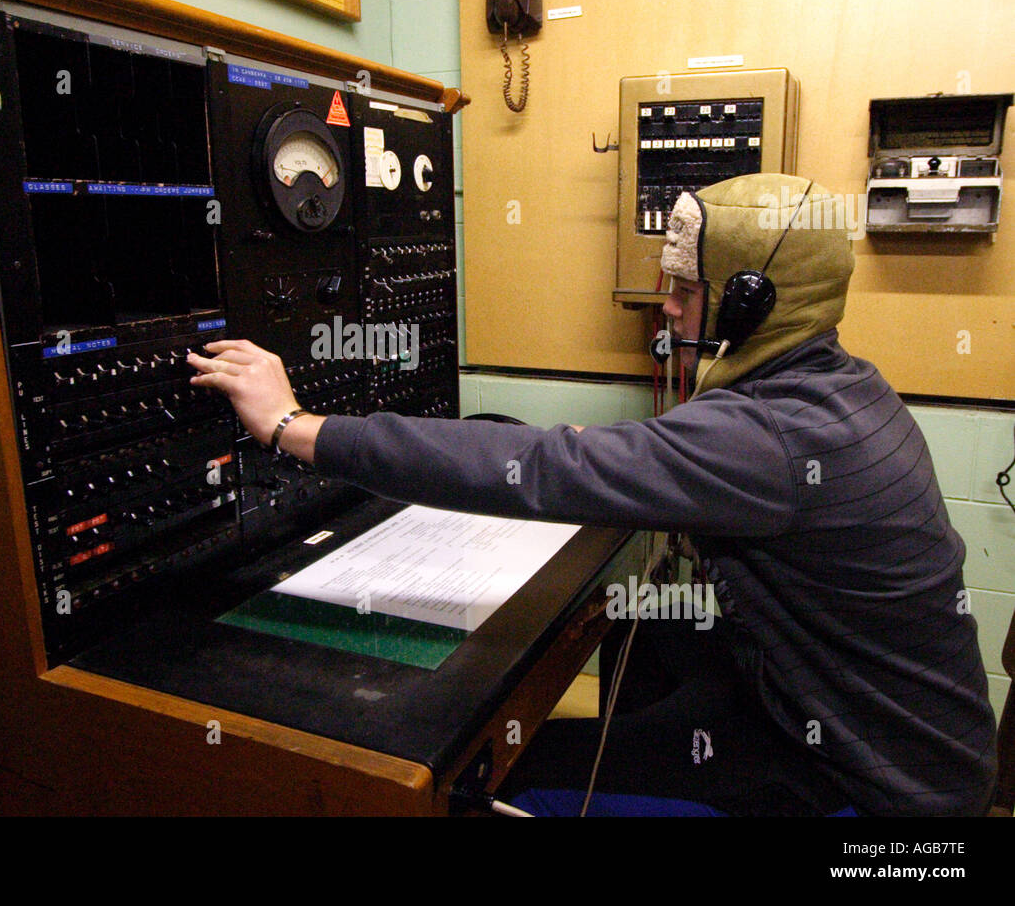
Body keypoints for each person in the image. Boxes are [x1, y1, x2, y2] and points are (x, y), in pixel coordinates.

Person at [186, 172, 997, 817]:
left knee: (507, 777)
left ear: (751, 302)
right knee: (643, 631)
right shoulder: (841, 386)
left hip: (878, 794)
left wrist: (296, 425)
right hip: (897, 741)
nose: (667, 307)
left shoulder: (771, 440)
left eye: (686, 287)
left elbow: (546, 468)